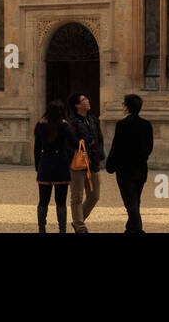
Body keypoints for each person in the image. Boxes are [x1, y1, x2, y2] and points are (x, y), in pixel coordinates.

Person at [105, 93, 153, 233]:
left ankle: (138, 230)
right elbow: (149, 147)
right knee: (135, 200)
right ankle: (130, 229)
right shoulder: (146, 124)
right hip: (141, 169)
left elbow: (117, 147)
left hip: (126, 170)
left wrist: (110, 165)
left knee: (130, 203)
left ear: (126, 108)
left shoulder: (122, 124)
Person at [33, 99, 76, 233]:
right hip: (61, 165)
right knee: (61, 202)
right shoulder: (63, 126)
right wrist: (85, 140)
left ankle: (41, 229)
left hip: (45, 163)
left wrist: (37, 166)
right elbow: (74, 143)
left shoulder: (40, 125)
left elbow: (36, 149)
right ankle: (62, 230)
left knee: (43, 201)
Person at [65, 92, 104, 232]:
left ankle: (77, 221)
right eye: (84, 100)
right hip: (77, 164)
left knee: (94, 196)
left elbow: (99, 139)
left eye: (87, 98)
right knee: (77, 197)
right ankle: (80, 226)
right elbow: (70, 143)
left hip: (92, 162)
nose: (87, 101)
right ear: (77, 105)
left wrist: (99, 154)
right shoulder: (71, 122)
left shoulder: (93, 120)